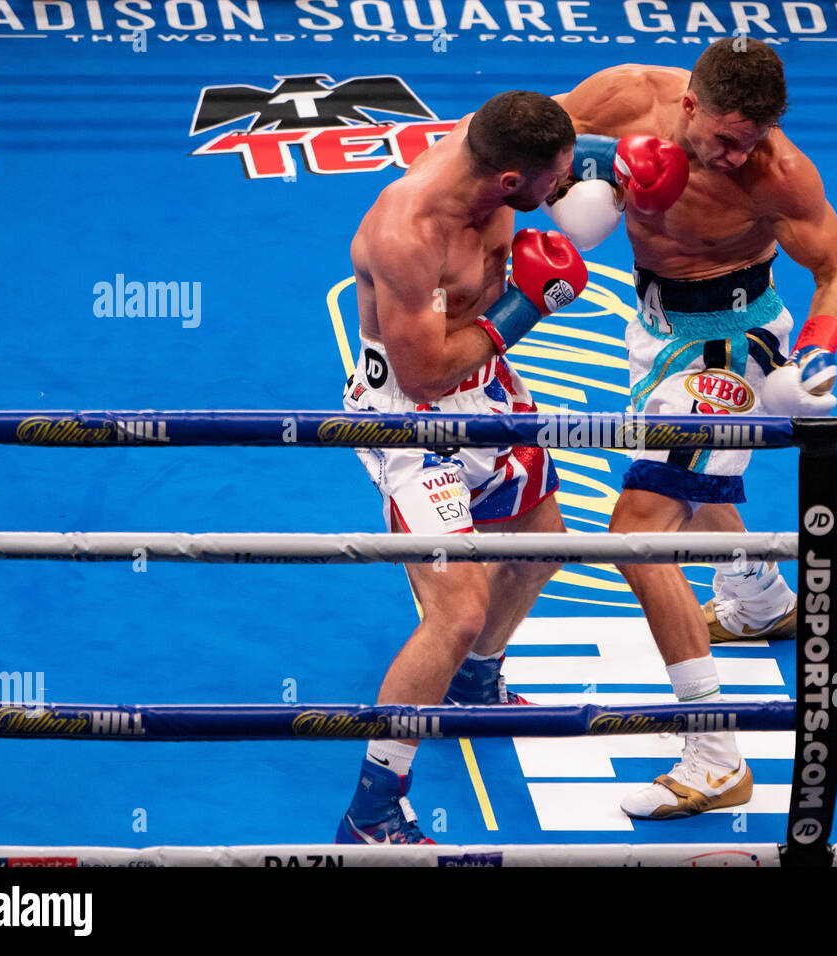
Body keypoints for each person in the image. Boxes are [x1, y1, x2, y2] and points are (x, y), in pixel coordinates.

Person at [551, 39, 837, 819]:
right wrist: (593, 172)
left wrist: (818, 352)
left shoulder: (777, 173)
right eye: (726, 137)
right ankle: (759, 599)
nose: (737, 155)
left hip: (730, 345)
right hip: (656, 330)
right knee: (695, 482)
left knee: (638, 533)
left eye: (753, 138)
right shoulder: (626, 93)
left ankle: (717, 756)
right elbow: (534, 149)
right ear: (688, 103)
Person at [334, 90, 589, 844]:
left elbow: (597, 110)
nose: (565, 193)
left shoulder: (498, 147)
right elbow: (426, 376)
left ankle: (476, 685)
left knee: (543, 543)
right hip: (414, 417)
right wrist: (525, 309)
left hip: (487, 390)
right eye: (559, 181)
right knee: (458, 608)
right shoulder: (406, 231)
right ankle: (370, 811)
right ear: (512, 181)